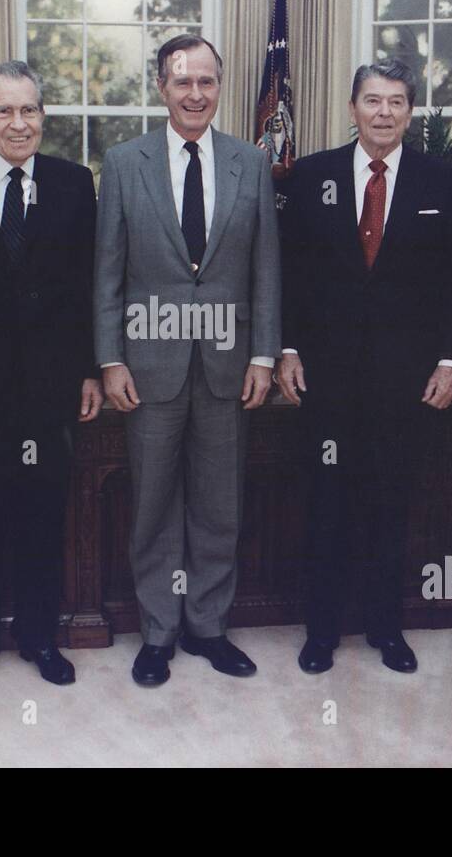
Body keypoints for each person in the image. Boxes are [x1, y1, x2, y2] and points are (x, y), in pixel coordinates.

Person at [93, 34, 281, 686]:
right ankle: (157, 631)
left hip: (230, 365)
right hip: (149, 365)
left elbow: (265, 268)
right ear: (161, 87)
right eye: (182, 82)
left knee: (218, 501)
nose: (195, 93)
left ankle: (207, 625)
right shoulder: (123, 163)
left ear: (219, 87)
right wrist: (109, 359)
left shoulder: (248, 162)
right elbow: (107, 272)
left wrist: (263, 353)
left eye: (206, 81)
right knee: (152, 502)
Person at [277, 58, 452, 675]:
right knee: (327, 504)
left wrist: (450, 359)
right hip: (327, 378)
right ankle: (321, 631)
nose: (383, 112)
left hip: (404, 379)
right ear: (352, 106)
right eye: (372, 100)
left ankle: (388, 627)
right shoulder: (311, 177)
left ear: (410, 112)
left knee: (391, 505)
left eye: (395, 102)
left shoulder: (443, 181)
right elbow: (288, 273)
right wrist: (285, 347)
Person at [0, 60, 101, 692]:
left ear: (42, 116)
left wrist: (87, 369)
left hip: (49, 388)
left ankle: (39, 637)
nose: (18, 122)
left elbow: (87, 285)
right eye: (3, 111)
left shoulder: (72, 183)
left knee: (41, 517)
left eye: (28, 109)